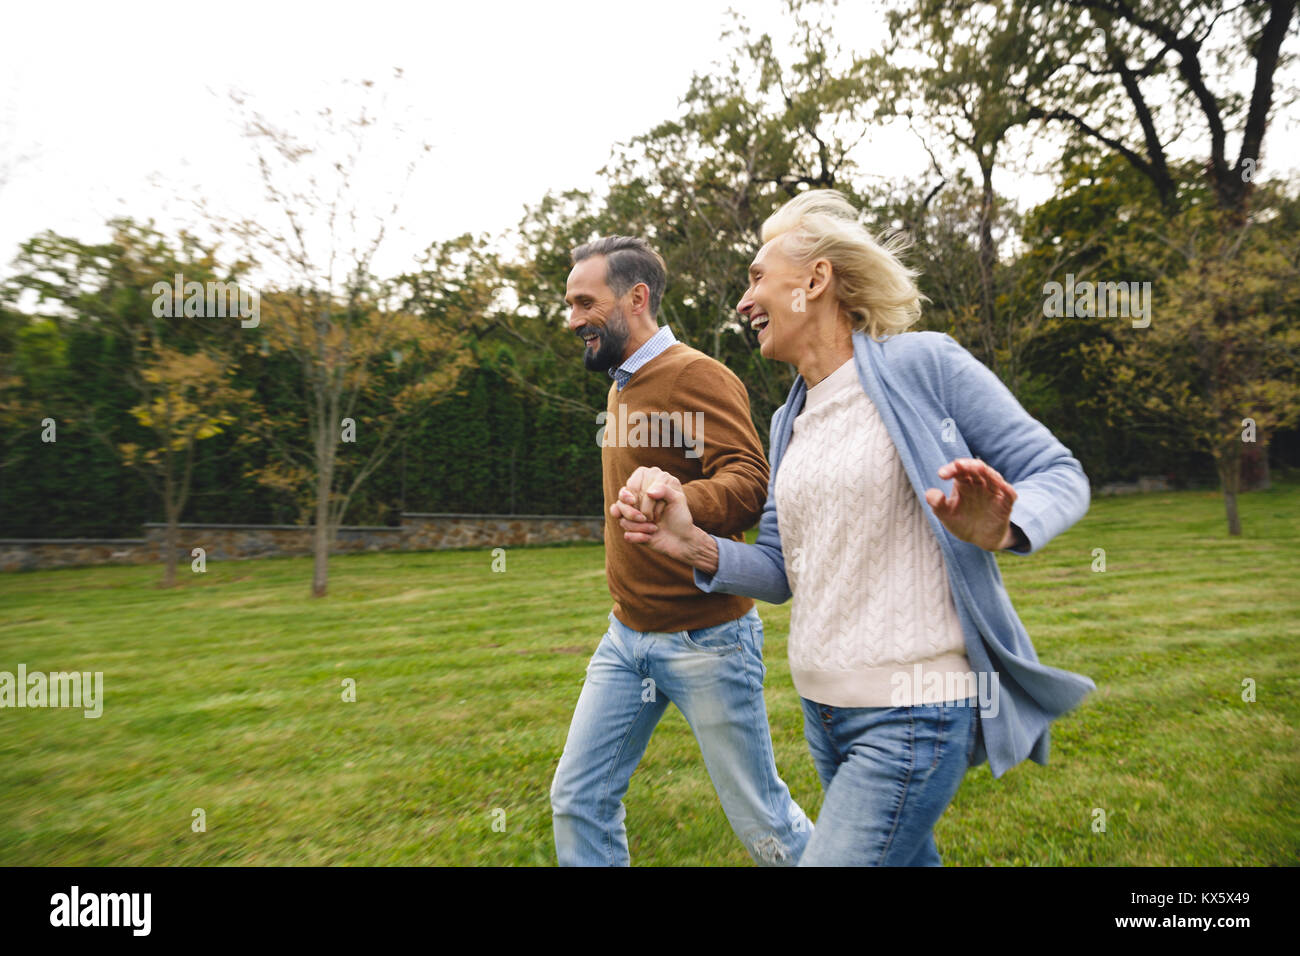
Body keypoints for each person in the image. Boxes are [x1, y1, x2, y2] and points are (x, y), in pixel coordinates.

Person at [612, 190, 1095, 866]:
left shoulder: (923, 366)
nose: (744, 302)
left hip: (915, 712)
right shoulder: (790, 421)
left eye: (756, 276)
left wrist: (1003, 528)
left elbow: (1059, 471)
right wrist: (691, 542)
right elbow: (781, 568)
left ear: (815, 280)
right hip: (826, 714)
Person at [549, 235, 813, 866]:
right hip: (625, 637)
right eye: (569, 303)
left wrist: (684, 498)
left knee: (762, 820)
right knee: (578, 797)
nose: (572, 319)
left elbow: (750, 478)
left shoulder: (696, 375)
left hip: (706, 641)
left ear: (635, 298)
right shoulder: (621, 383)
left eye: (584, 302)